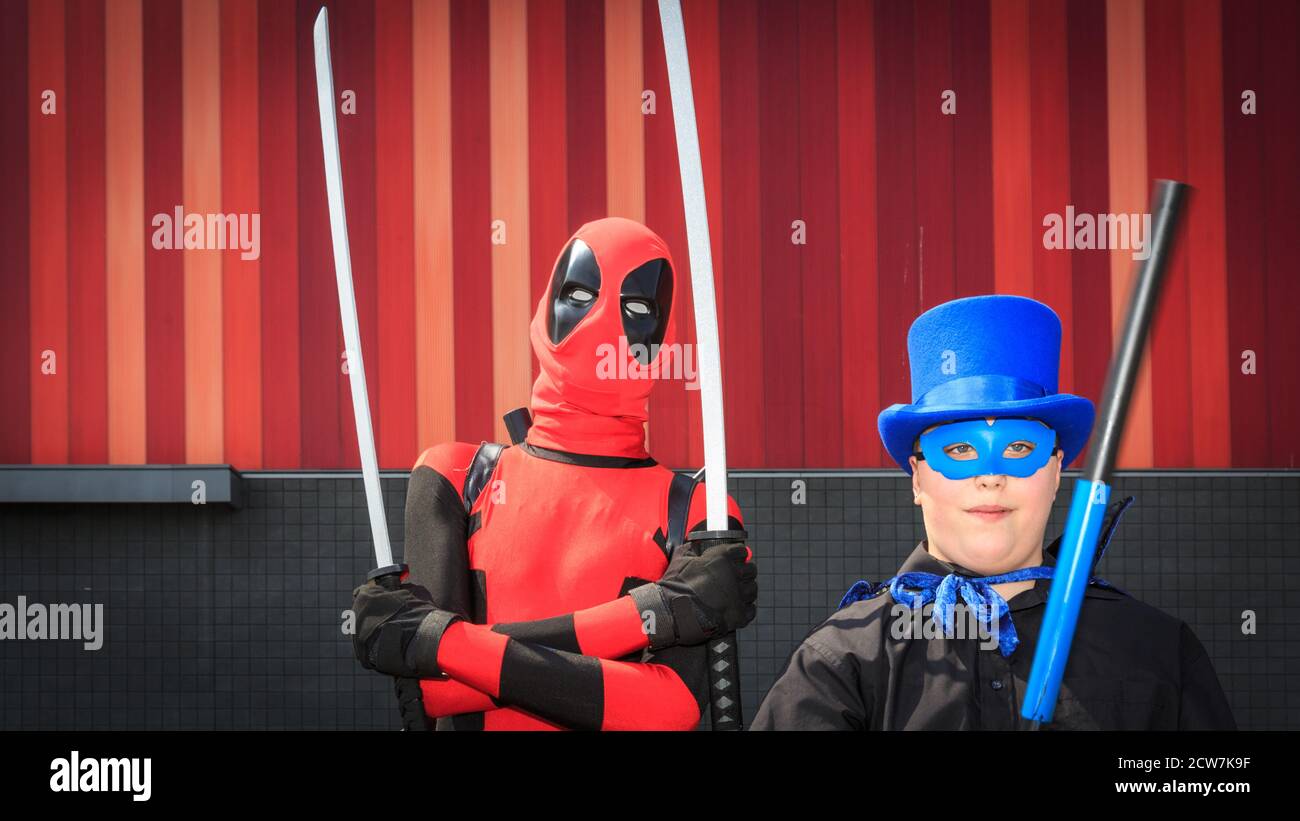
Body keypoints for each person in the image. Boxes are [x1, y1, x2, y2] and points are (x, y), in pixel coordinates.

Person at [751, 294, 1234, 730]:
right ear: (918, 479)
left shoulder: (1156, 650)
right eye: (959, 450)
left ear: (1055, 470)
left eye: (1019, 446)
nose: (989, 476)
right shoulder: (842, 663)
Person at [350, 217, 757, 730]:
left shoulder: (697, 507)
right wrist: (648, 616)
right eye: (581, 293)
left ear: (665, 334)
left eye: (638, 308)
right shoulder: (455, 477)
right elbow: (431, 691)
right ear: (545, 306)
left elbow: (670, 709)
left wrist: (446, 641)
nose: (605, 320)